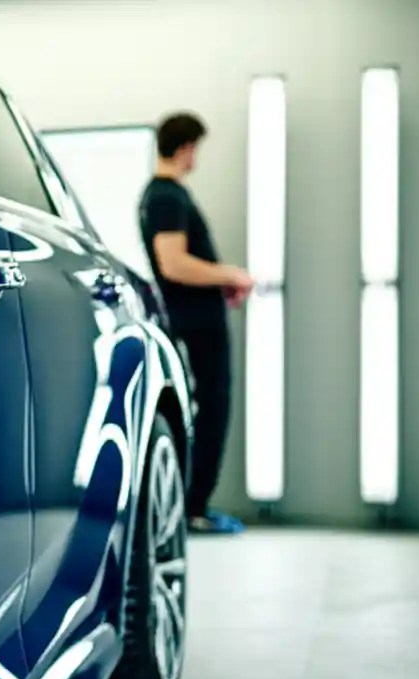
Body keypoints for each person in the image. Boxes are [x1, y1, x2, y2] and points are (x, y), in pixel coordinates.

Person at [139, 112, 253, 535]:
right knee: (211, 409)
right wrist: (231, 274)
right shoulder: (167, 197)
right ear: (186, 148)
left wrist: (220, 284)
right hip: (197, 324)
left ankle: (193, 506)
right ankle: (193, 509)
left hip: (197, 316)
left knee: (208, 409)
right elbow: (173, 263)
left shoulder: (165, 196)